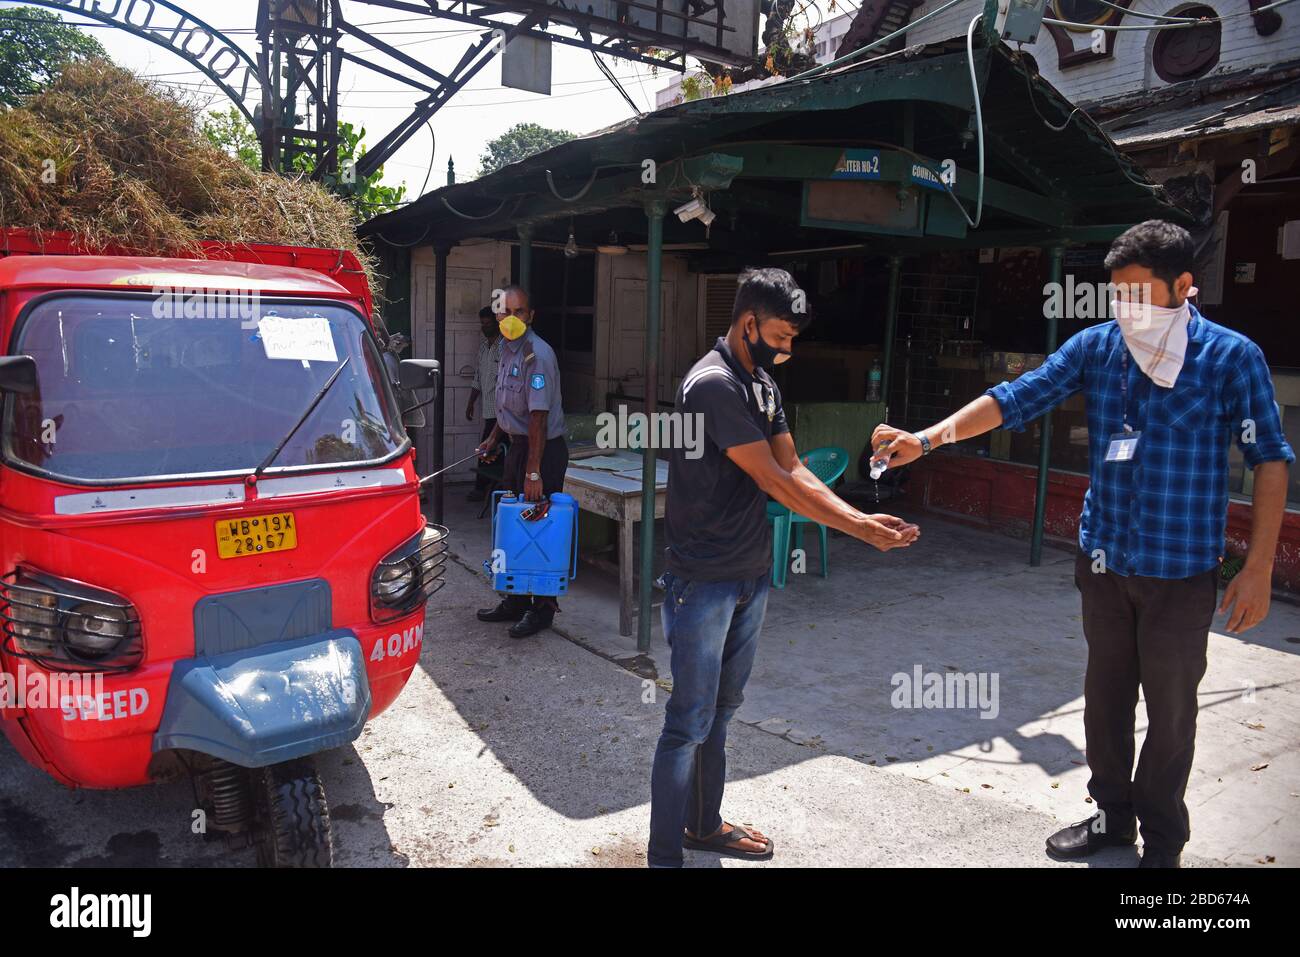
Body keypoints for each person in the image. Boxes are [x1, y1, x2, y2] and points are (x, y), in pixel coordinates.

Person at [871, 220, 1293, 868]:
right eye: (1115, 294)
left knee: (1173, 712)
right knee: (1105, 701)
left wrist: (1259, 565)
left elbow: (1269, 458)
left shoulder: (1230, 358)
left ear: (1183, 287)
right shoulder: (1100, 347)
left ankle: (1164, 842)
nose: (1125, 309)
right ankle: (1111, 819)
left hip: (1180, 573)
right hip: (1104, 562)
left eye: (1138, 293)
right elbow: (1017, 398)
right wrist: (928, 438)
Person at [647, 267, 920, 868]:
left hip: (748, 573)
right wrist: (860, 532)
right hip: (703, 580)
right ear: (749, 323)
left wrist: (863, 515)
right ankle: (664, 856)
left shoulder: (761, 383)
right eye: (780, 335)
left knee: (721, 709)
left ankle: (703, 825)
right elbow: (770, 480)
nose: (786, 348)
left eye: (794, 339)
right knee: (686, 722)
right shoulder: (711, 385)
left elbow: (793, 467)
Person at [473, 285, 569, 639]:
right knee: (513, 526)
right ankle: (514, 599)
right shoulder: (507, 351)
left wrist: (533, 471)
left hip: (541, 451)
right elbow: (509, 406)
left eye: (520, 312)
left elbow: (538, 418)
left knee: (539, 528)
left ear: (531, 316)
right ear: (498, 314)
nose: (511, 319)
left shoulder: (536, 355)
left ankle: (542, 609)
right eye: (505, 312)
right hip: (519, 448)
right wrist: (493, 438)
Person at [466, 306, 503, 503]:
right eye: (483, 324)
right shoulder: (483, 347)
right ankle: (485, 487)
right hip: (487, 409)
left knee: (488, 448)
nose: (485, 327)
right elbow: (478, 378)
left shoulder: (505, 347)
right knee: (490, 449)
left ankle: (482, 488)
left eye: (488, 324)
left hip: (503, 411)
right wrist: (471, 402)